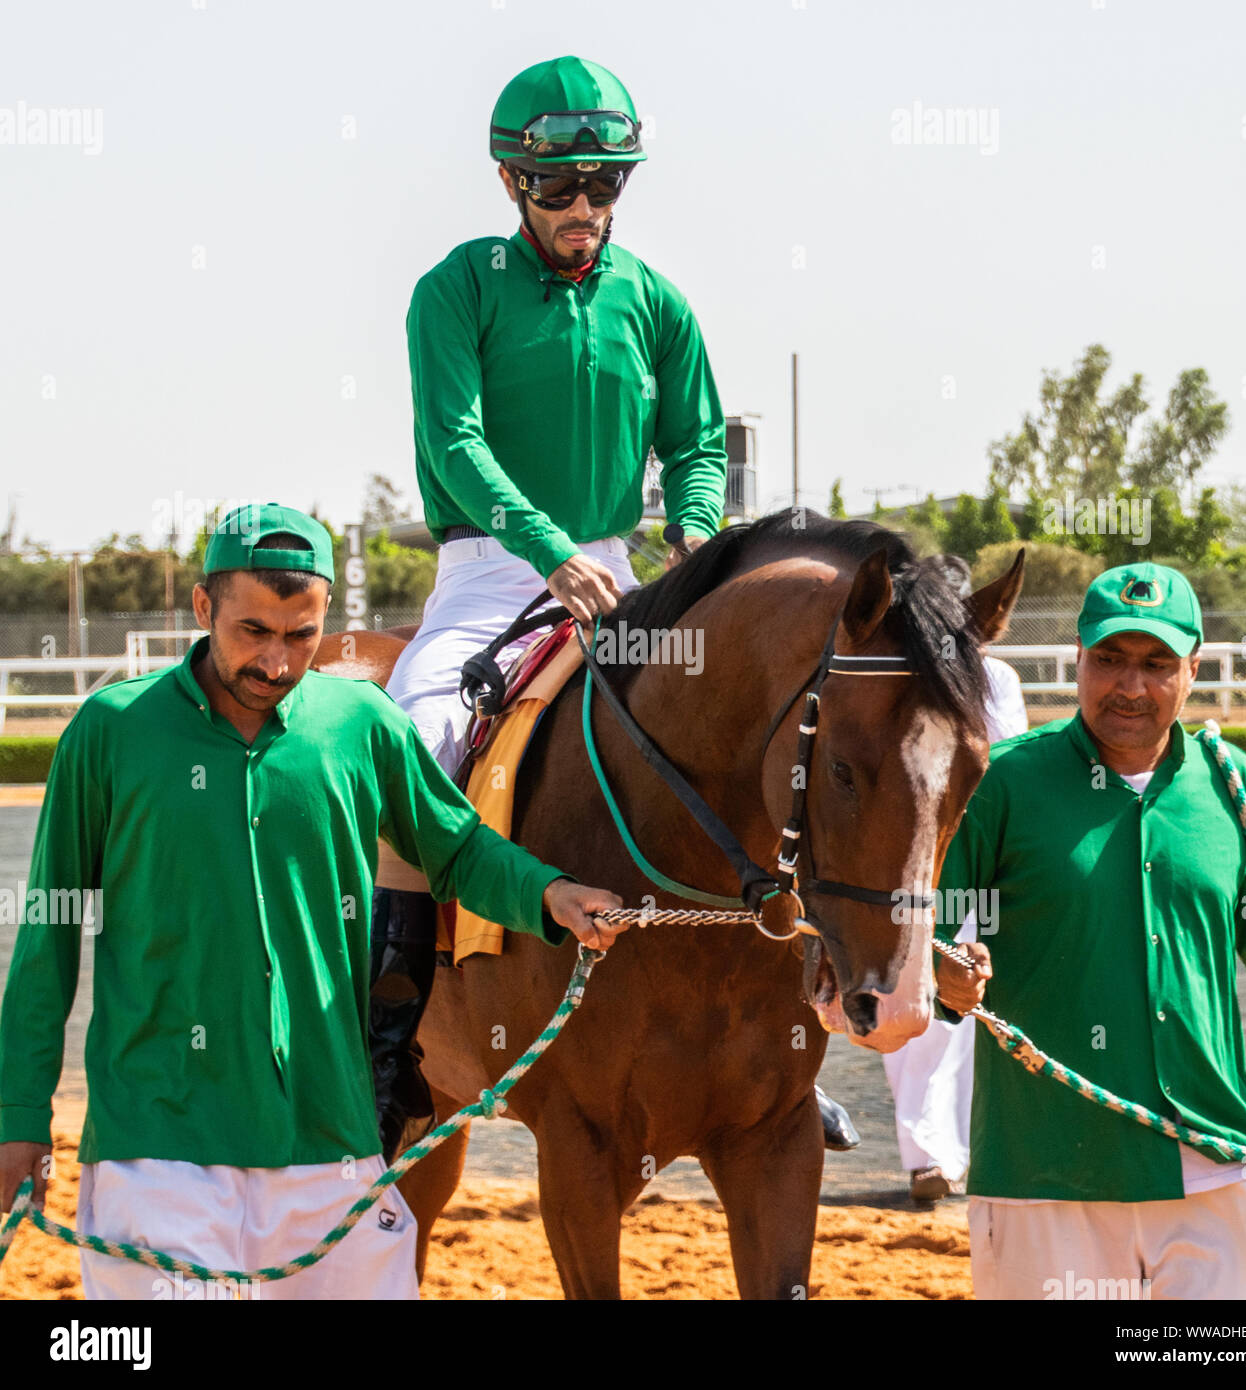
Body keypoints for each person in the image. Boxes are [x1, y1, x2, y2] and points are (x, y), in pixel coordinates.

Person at [0, 503, 626, 1300]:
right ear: (203, 608)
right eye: (252, 632)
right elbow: (46, 936)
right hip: (156, 1153)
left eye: (300, 636)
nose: (276, 660)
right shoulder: (111, 730)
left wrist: (553, 894)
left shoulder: (361, 722)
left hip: (334, 1148)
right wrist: (20, 1118)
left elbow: (457, 847)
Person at [371, 53, 768, 1157]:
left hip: (624, 568)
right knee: (414, 736)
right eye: (562, 188)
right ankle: (385, 1040)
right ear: (511, 182)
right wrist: (549, 553)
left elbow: (694, 441)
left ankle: (771, 1033)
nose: (586, 208)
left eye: (606, 185)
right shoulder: (457, 287)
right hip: (492, 571)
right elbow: (455, 442)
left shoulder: (656, 300)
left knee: (746, 735)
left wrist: (691, 533)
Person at [934, 561, 1246, 1299]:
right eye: (1109, 659)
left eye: (1157, 664)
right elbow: (910, 942)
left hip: (1216, 1166)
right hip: (1042, 1181)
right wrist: (944, 979)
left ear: (1194, 668)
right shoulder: (999, 784)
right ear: (1079, 657)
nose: (1130, 686)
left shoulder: (1234, 788)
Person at [881, 555, 1029, 1204]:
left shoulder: (994, 677)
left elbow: (1008, 764)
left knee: (974, 1006)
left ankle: (965, 1152)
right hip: (911, 865)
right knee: (921, 1018)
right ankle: (930, 1159)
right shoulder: (890, 673)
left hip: (979, 862)